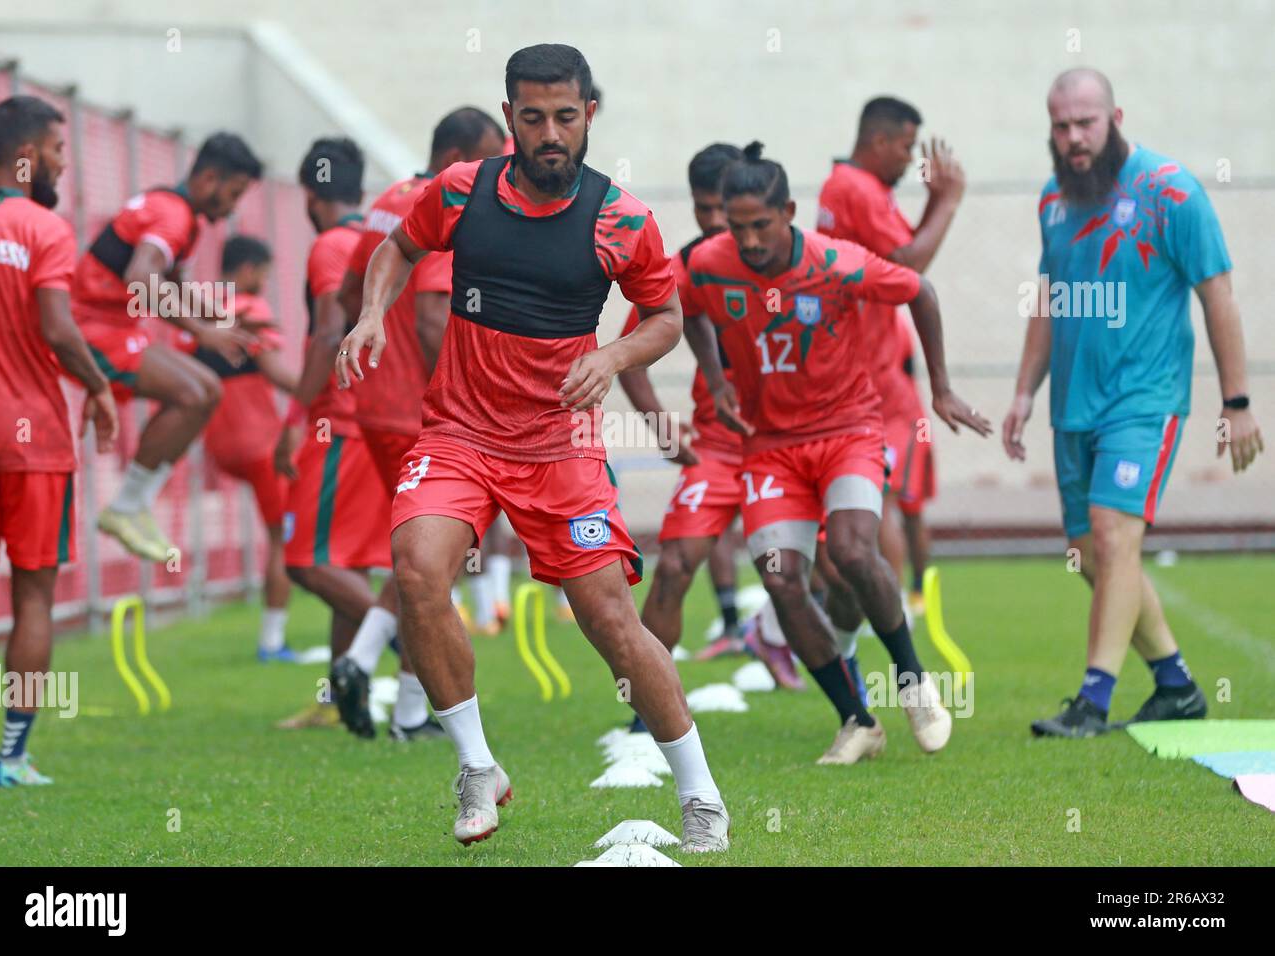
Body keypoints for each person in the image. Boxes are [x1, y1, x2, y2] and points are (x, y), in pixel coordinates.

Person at [338, 44, 728, 851]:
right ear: (509, 115)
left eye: (566, 116)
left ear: (591, 114)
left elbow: (665, 317)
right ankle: (476, 767)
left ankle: (700, 794)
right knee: (415, 569)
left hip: (560, 447)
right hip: (459, 435)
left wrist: (612, 355)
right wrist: (374, 311)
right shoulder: (458, 193)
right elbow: (398, 251)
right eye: (533, 116)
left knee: (609, 623)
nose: (550, 132)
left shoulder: (622, 220)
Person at [680, 142, 991, 765]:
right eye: (736, 227)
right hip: (770, 448)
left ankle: (911, 680)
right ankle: (856, 719)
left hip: (847, 430)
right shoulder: (710, 262)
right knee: (779, 579)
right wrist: (715, 381)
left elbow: (919, 290)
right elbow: (687, 310)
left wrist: (942, 388)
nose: (748, 240)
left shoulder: (838, 262)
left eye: (760, 225)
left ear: (789, 211)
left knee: (851, 550)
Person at [1004, 69, 1264, 737]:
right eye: (1061, 126)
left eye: (1086, 123)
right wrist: (1022, 393)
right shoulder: (1052, 200)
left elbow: (1219, 294)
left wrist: (1236, 402)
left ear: (1116, 116)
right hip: (1072, 406)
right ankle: (1175, 684)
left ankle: (1093, 701)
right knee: (1092, 553)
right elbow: (1049, 299)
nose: (1073, 138)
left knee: (1117, 535)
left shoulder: (1169, 191)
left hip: (1144, 401)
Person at [329, 108, 504, 731]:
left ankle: (360, 658)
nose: (495, 169)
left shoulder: (388, 198)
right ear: (456, 152)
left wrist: (377, 337)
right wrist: (466, 393)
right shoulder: (445, 204)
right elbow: (433, 316)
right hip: (422, 412)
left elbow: (354, 288)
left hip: (375, 404)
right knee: (436, 564)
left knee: (417, 559)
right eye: (487, 155)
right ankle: (406, 709)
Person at [0, 95, 119, 786]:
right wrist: (97, 385)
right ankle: (9, 759)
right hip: (30, 442)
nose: (64, 162)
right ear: (28, 154)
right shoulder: (43, 228)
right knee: (32, 597)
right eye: (60, 150)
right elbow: (60, 330)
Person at [273, 138, 436, 740]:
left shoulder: (335, 242)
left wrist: (295, 418)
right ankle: (346, 694)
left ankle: (369, 654)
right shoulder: (385, 221)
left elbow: (326, 330)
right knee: (371, 562)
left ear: (310, 196)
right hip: (379, 415)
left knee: (309, 563)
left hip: (341, 422)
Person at [72, 132, 263, 561]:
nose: (233, 208)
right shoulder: (174, 215)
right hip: (91, 329)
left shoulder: (179, 215)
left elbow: (170, 282)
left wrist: (218, 316)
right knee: (195, 393)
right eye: (233, 195)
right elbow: (142, 278)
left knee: (207, 390)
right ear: (209, 178)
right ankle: (126, 507)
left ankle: (133, 505)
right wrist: (203, 331)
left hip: (114, 325)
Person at [817, 96, 965, 614]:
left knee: (885, 505)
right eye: (904, 147)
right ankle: (893, 613)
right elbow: (910, 270)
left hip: (869, 373)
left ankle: (888, 607)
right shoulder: (858, 188)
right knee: (885, 507)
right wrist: (948, 201)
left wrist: (930, 205)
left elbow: (899, 255)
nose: (909, 158)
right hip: (873, 381)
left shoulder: (850, 185)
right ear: (878, 142)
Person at [615, 143, 747, 685]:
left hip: (788, 446)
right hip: (716, 444)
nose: (714, 221)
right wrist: (663, 428)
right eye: (702, 208)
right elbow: (629, 357)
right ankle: (648, 712)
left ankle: (854, 696)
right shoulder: (682, 270)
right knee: (671, 567)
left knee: (829, 568)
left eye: (724, 208)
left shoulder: (789, 258)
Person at [178, 235, 297, 660]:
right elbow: (278, 373)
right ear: (248, 270)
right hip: (260, 443)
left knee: (280, 533)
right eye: (263, 275)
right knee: (284, 540)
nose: (263, 283)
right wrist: (325, 391)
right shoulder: (250, 308)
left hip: (219, 444)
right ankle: (272, 642)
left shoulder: (196, 311)